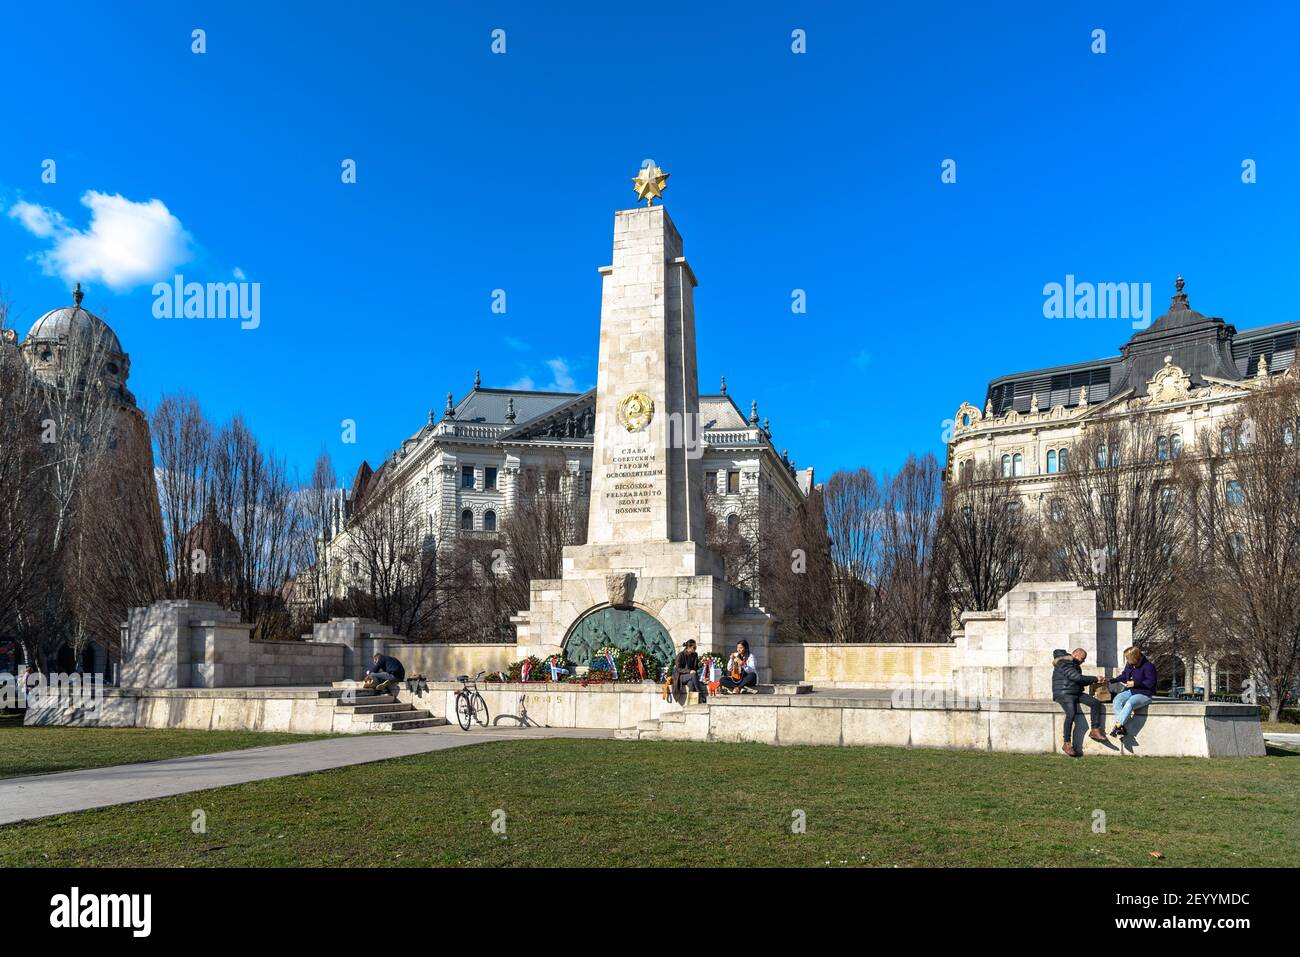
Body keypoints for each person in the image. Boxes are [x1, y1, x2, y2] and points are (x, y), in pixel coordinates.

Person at [1052, 647, 1107, 756]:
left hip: (1075, 692)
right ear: (1076, 655)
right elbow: (1077, 678)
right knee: (1071, 714)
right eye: (1083, 658)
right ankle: (1066, 743)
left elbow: (1078, 681)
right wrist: (1095, 678)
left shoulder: (1073, 664)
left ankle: (1095, 730)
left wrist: (1095, 683)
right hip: (1064, 693)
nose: (1083, 661)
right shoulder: (1065, 662)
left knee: (1095, 703)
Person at [1111, 646, 1157, 737]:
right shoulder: (1129, 665)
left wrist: (1135, 683)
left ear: (1134, 657)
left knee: (1130, 703)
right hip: (1131, 691)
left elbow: (1151, 682)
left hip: (1145, 693)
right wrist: (1112, 680)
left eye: (1128, 658)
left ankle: (1118, 725)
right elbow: (1124, 676)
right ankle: (1120, 727)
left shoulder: (1148, 666)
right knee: (1117, 700)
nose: (1127, 660)